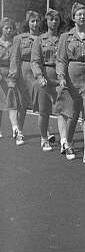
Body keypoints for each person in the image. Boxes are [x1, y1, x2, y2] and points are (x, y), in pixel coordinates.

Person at [55, 3, 85, 163]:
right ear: (73, 17)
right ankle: (68, 143)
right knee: (72, 113)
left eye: (84, 14)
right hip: (71, 78)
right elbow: (61, 59)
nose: (82, 17)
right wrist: (61, 76)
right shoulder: (66, 37)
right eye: (79, 14)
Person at [12, 10, 53, 151]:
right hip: (24, 73)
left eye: (37, 21)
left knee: (42, 104)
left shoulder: (43, 38)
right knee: (23, 105)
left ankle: (45, 133)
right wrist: (13, 77)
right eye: (32, 21)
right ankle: (19, 132)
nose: (35, 24)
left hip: (39, 72)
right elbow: (15, 58)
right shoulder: (20, 38)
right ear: (28, 23)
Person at [33, 8, 63, 152]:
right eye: (51, 19)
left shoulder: (63, 39)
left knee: (62, 111)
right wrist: (39, 76)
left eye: (56, 19)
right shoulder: (40, 39)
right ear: (47, 21)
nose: (54, 22)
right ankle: (44, 138)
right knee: (44, 111)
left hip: (59, 78)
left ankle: (64, 140)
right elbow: (35, 61)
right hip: (45, 78)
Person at [0, 17, 21, 143]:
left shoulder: (15, 43)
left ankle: (15, 127)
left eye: (11, 28)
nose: (9, 31)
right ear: (2, 29)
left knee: (12, 103)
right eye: (6, 28)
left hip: (10, 75)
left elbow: (15, 60)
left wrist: (13, 76)